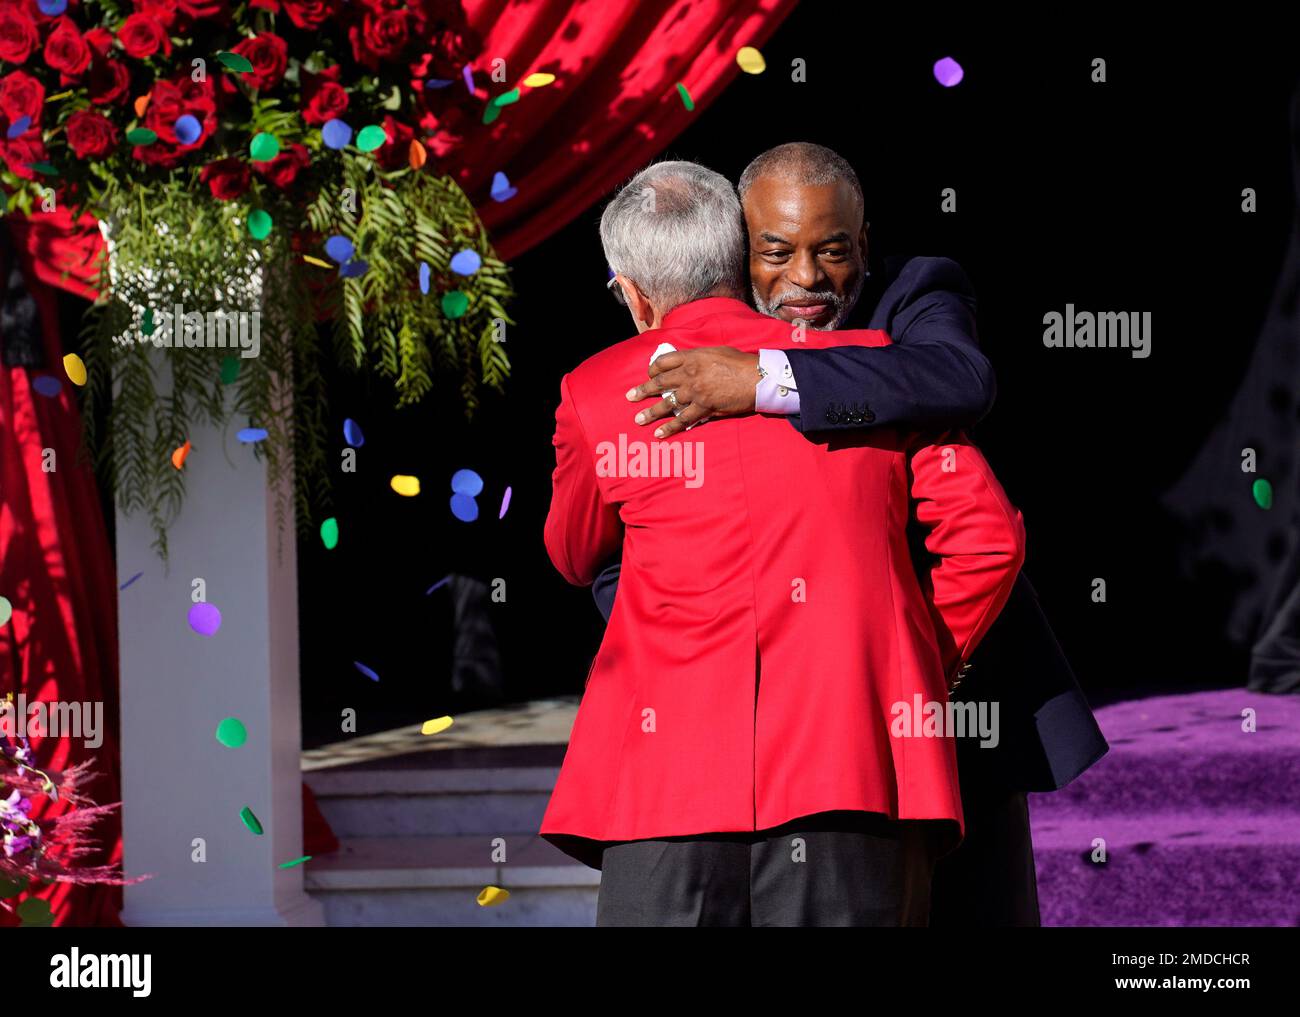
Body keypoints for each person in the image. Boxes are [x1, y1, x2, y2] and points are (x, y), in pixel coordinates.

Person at [592, 142, 1109, 926]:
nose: (806, 278)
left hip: (951, 704)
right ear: (736, 250)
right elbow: (615, 550)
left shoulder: (912, 294)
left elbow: (961, 378)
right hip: (757, 742)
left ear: (863, 245)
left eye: (832, 251)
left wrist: (768, 381)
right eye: (776, 253)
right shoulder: (684, 353)